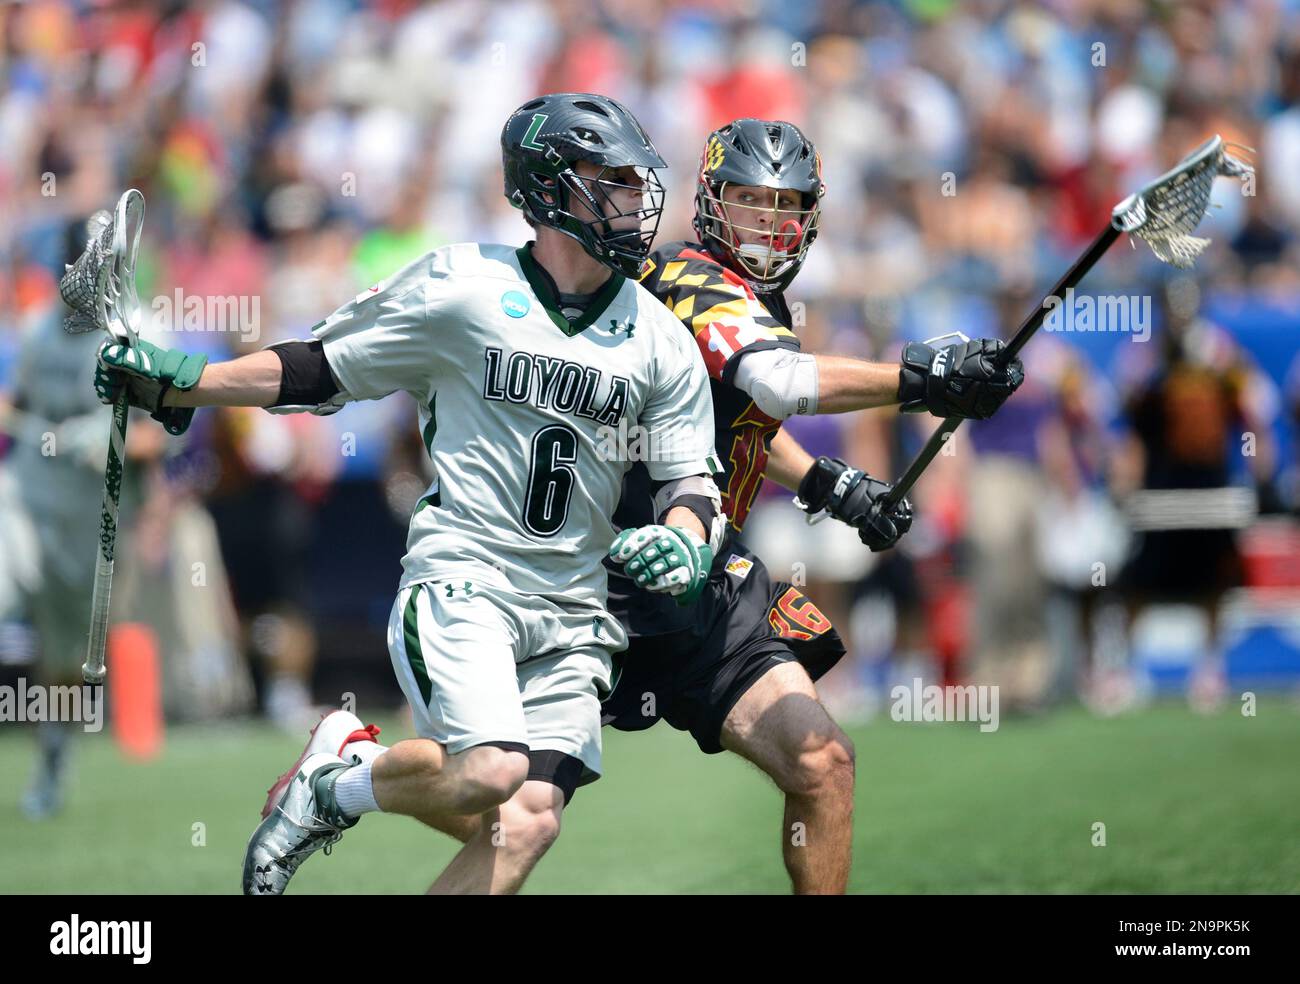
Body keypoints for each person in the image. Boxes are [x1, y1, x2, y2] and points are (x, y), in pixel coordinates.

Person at [93, 92, 725, 895]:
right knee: (492, 773)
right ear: (546, 187)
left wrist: (682, 537)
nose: (637, 201)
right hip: (469, 576)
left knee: (529, 821)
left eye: (640, 182)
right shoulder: (463, 286)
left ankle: (344, 768)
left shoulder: (659, 334)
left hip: (574, 605)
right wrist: (189, 385)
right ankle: (339, 783)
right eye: (614, 180)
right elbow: (321, 365)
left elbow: (690, 481)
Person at [601, 119, 1026, 893]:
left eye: (786, 204)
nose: (768, 221)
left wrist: (829, 484)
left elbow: (740, 426)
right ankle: (348, 779)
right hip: (608, 575)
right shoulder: (688, 279)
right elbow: (780, 385)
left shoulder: (759, 297)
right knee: (506, 800)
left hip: (707, 575)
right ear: (710, 202)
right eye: (749, 201)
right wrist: (925, 379)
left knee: (823, 761)